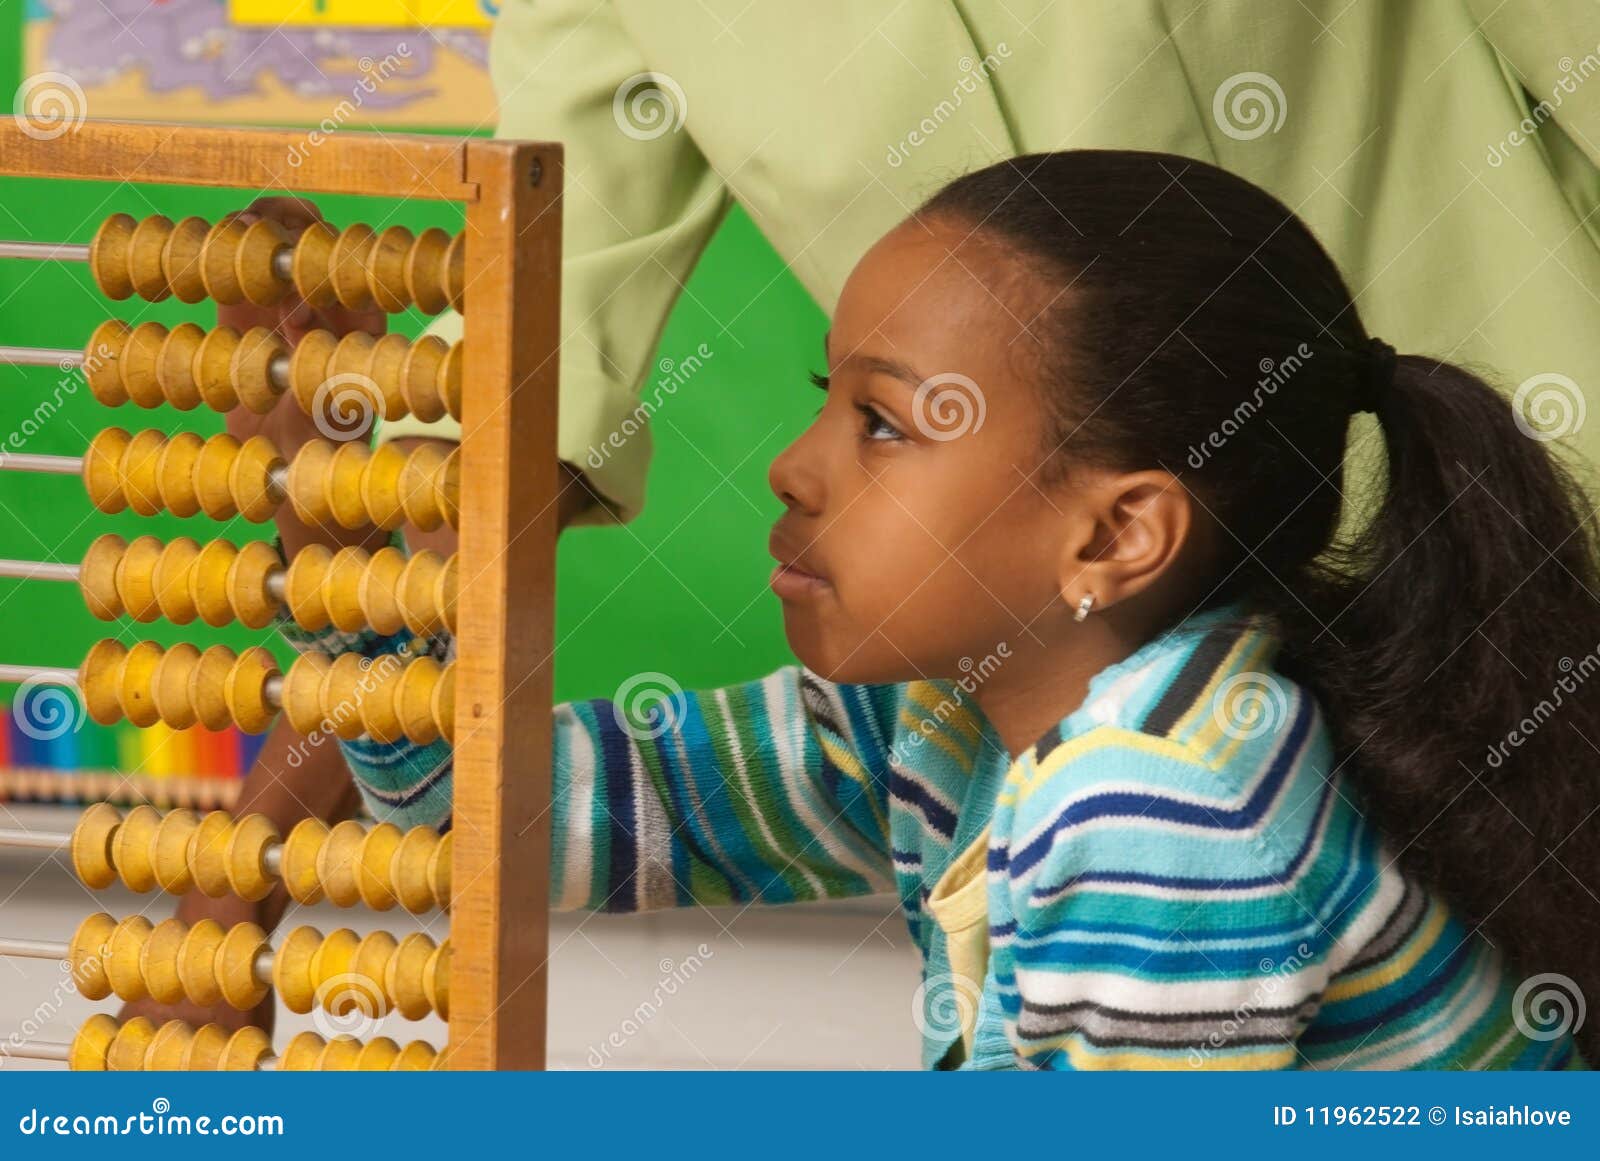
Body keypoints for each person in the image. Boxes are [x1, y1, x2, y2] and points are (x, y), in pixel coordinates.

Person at [168, 150, 1600, 1069]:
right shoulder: (928, 713)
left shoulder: (1171, 800)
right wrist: (343, 551)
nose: (796, 468)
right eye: (824, 404)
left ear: (1113, 533)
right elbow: (496, 832)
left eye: (888, 424)